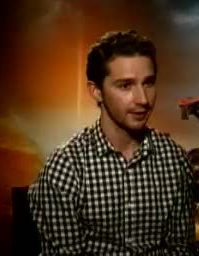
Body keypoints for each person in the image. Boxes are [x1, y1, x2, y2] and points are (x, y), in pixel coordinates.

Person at [28, 29, 196, 255]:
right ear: (96, 91)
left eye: (148, 83)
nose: (143, 100)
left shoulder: (175, 161)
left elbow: (181, 250)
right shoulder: (66, 168)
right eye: (125, 85)